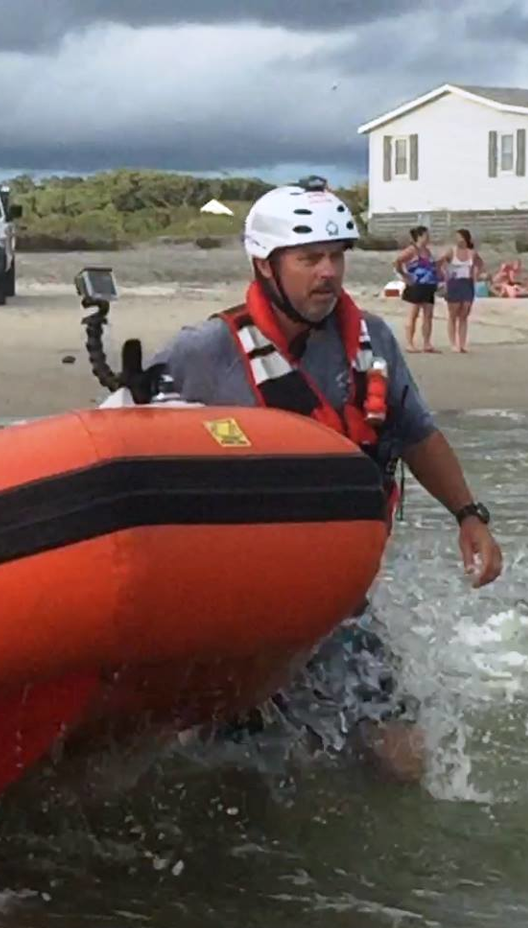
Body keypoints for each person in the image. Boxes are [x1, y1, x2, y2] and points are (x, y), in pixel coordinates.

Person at [143, 180, 504, 784]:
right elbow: (117, 431)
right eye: (309, 259)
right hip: (240, 611)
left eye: (336, 256)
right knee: (227, 768)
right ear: (266, 266)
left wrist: (470, 516)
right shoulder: (204, 351)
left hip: (337, 603)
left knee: (403, 756)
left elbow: (416, 435)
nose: (328, 273)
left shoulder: (372, 343)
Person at [392, 225, 441, 353]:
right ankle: (409, 343)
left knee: (428, 315)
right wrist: (404, 275)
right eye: (426, 235)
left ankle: (427, 343)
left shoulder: (427, 251)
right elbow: (397, 261)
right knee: (413, 315)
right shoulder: (412, 250)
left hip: (428, 285)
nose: (428, 237)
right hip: (416, 285)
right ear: (419, 237)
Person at [444, 229, 484, 353]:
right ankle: (453, 343)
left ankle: (462, 343)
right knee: (453, 314)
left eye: (460, 237)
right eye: (456, 238)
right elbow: (442, 264)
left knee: (464, 314)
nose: (458, 240)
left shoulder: (472, 253)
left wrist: (475, 275)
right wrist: (446, 277)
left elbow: (480, 264)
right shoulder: (451, 251)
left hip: (467, 283)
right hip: (454, 282)